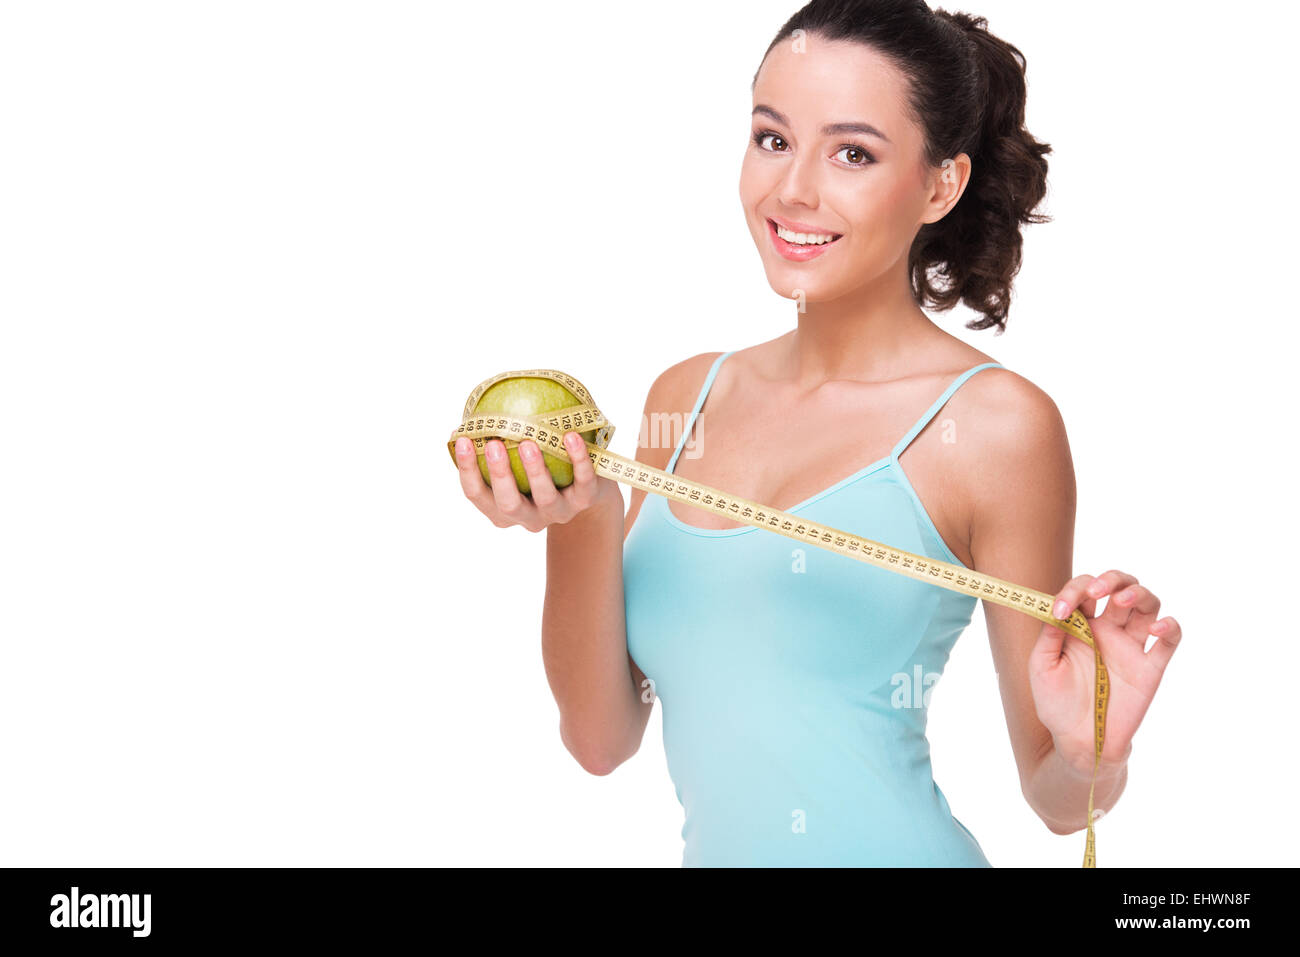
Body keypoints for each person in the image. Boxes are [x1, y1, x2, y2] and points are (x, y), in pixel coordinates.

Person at [450, 0, 1181, 866]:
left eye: (853, 153)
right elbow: (600, 739)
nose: (793, 188)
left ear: (941, 184)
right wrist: (578, 514)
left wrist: (1097, 752)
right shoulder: (685, 394)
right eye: (772, 138)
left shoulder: (995, 424)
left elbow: (1057, 799)